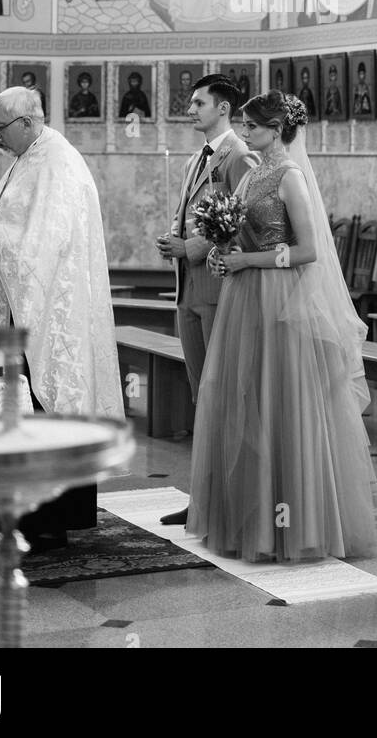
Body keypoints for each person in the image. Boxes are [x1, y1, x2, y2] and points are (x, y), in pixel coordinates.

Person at [187, 91, 377, 561]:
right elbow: (235, 232)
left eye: (252, 126)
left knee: (279, 405)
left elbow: (308, 250)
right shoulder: (253, 171)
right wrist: (220, 253)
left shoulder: (290, 177)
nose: (246, 131)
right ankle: (248, 522)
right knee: (243, 401)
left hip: (279, 299)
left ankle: (291, 526)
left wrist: (247, 260)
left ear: (276, 130)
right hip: (244, 299)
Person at [0, 87, 122, 548]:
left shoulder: (57, 163)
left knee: (41, 409)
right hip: (20, 312)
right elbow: (16, 232)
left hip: (48, 319)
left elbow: (44, 244)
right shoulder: (27, 160)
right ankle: (16, 519)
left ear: (27, 122)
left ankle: (44, 523)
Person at [155, 74, 257, 524]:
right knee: (202, 395)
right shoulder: (196, 158)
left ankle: (232, 498)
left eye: (199, 103)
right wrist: (174, 238)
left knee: (225, 395)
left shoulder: (239, 155)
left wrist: (193, 247)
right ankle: (203, 498)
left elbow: (247, 220)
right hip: (188, 290)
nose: (191, 109)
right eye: (191, 102)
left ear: (223, 109)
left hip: (218, 287)